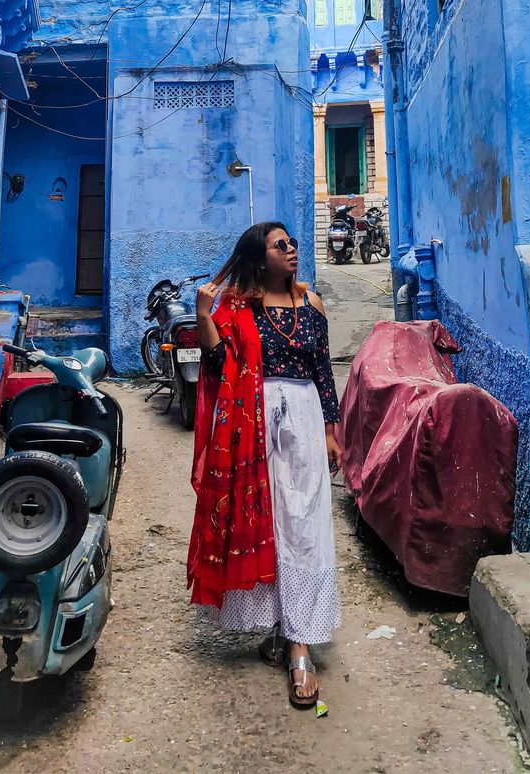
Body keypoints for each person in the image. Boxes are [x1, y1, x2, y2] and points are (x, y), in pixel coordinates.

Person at [187, 221, 341, 709]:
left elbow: (323, 370)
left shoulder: (310, 303)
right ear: (260, 257)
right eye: (281, 246)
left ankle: (302, 645)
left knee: (305, 523)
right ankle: (279, 624)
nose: (292, 250)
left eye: (292, 243)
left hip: (303, 416)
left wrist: (332, 430)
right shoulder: (237, 309)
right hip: (252, 422)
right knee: (267, 522)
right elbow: (217, 367)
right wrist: (203, 315)